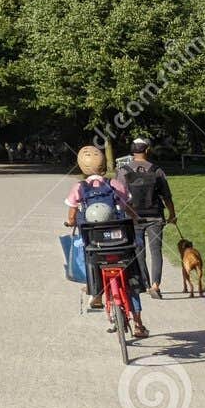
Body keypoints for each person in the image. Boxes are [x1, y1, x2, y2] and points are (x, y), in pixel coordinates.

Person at [65, 144, 148, 337]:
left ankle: (95, 293)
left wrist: (70, 222)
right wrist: (136, 218)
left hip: (95, 242)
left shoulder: (79, 187)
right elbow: (127, 206)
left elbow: (71, 214)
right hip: (119, 240)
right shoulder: (114, 185)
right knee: (130, 278)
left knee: (90, 259)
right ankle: (138, 324)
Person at [116, 138, 176, 299]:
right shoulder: (157, 170)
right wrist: (172, 214)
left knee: (138, 251)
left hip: (133, 216)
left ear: (132, 151)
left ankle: (146, 284)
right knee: (156, 251)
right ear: (147, 150)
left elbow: (120, 197)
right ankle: (156, 285)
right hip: (155, 215)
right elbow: (167, 196)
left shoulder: (123, 171)